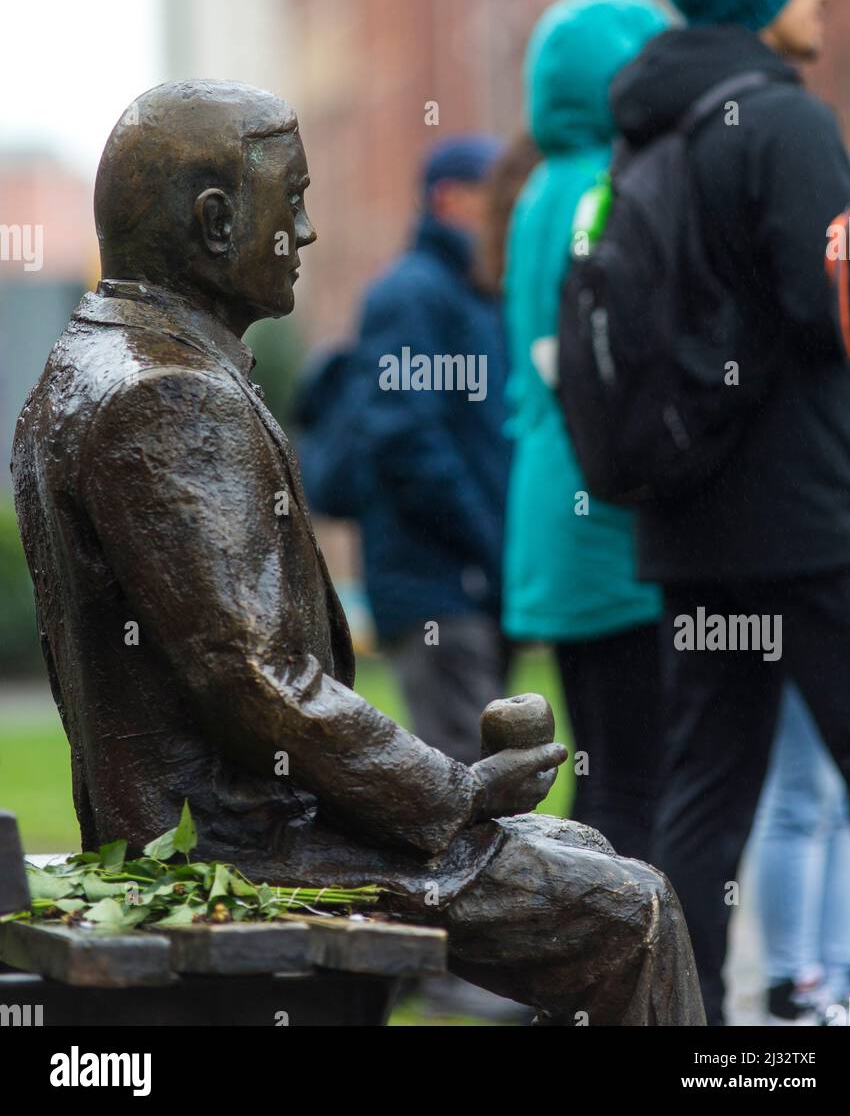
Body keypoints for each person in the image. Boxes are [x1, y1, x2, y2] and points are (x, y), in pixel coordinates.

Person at [12, 81, 704, 1026]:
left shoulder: (91, 362)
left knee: (584, 847)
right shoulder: (167, 394)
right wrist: (452, 788)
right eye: (289, 200)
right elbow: (252, 678)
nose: (306, 230)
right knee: (635, 914)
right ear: (217, 223)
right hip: (240, 845)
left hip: (232, 824)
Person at [611, 0, 850, 1025]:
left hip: (689, 521)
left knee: (702, 797)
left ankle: (687, 1028)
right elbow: (826, 311)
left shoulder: (649, 132)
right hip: (810, 519)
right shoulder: (781, 120)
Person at [501, 0, 668, 861]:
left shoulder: (538, 191)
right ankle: (613, 980)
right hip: (605, 524)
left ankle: (577, 982)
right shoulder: (601, 191)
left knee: (604, 769)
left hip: (551, 517)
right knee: (636, 781)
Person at [353, 137, 510, 768]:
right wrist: (487, 543)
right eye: (492, 198)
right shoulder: (412, 296)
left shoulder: (470, 291)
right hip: (438, 585)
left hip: (469, 581)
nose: (504, 214)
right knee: (466, 783)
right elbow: (407, 440)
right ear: (450, 199)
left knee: (489, 777)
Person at [750, 683, 850, 1024]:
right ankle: (792, 990)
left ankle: (839, 983)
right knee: (801, 796)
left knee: (843, 800)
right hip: (799, 636)